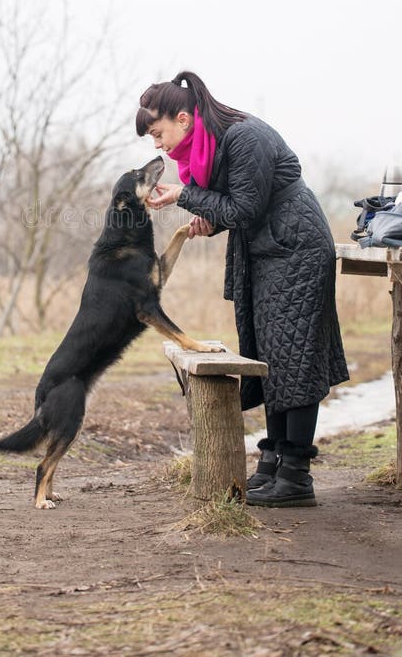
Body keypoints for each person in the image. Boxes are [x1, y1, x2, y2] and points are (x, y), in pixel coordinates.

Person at [136, 70, 348, 507]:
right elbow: (233, 209)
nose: (157, 145)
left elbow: (246, 207)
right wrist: (208, 219)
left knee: (295, 358)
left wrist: (184, 197)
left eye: (158, 134)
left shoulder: (243, 137)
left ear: (183, 118)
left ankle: (296, 476)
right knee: (270, 355)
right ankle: (273, 462)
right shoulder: (210, 149)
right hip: (265, 249)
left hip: (296, 246)